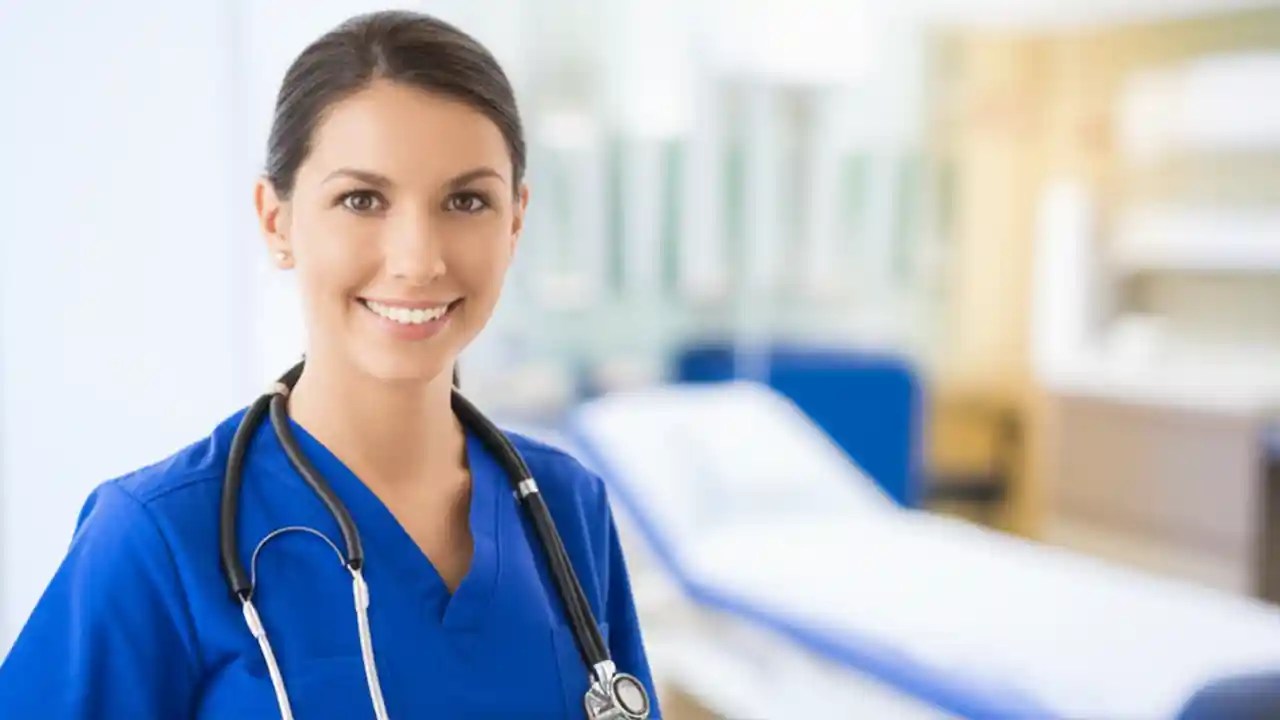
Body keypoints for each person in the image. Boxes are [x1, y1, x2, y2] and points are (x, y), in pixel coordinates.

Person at [0, 10, 659, 718]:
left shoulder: (563, 509)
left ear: (516, 221)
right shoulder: (156, 538)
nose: (419, 259)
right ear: (276, 220)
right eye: (362, 200)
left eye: (466, 201)